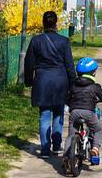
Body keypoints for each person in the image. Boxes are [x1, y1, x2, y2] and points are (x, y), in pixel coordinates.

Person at [23, 10, 75, 157]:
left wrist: (28, 81)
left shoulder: (36, 41)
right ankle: (57, 146)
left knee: (45, 115)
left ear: (43, 23)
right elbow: (69, 65)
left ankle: (45, 149)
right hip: (60, 81)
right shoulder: (64, 41)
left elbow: (29, 63)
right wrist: (73, 84)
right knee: (58, 114)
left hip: (43, 81)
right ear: (56, 23)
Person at [63, 57, 102, 165]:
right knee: (98, 129)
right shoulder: (95, 87)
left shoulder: (73, 86)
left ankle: (66, 157)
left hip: (74, 112)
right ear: (93, 73)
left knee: (71, 135)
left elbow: (66, 99)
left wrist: (71, 104)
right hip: (89, 113)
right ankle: (95, 149)